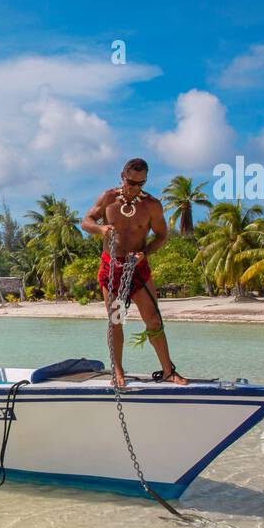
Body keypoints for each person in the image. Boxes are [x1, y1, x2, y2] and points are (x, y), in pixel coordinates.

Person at [81, 158, 188, 388]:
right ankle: (117, 372)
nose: (134, 188)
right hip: (113, 269)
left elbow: (161, 236)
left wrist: (145, 253)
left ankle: (169, 371)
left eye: (140, 184)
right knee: (116, 320)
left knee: (153, 319)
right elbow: (86, 221)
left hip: (138, 269)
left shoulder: (151, 205)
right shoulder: (108, 198)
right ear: (123, 176)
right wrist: (101, 228)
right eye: (131, 182)